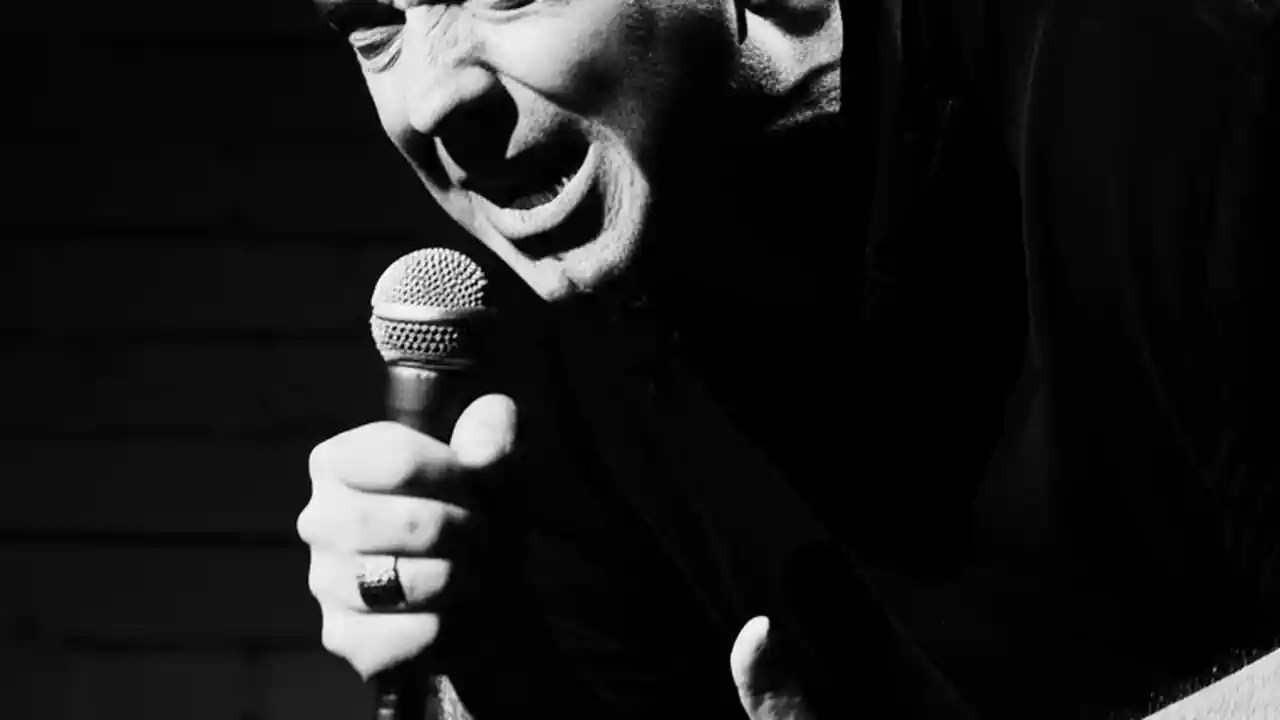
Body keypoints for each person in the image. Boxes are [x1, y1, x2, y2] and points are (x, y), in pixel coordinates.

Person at [295, 0, 1280, 718]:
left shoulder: (1169, 78)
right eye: (372, 28)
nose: (429, 99)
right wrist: (493, 678)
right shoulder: (560, 336)